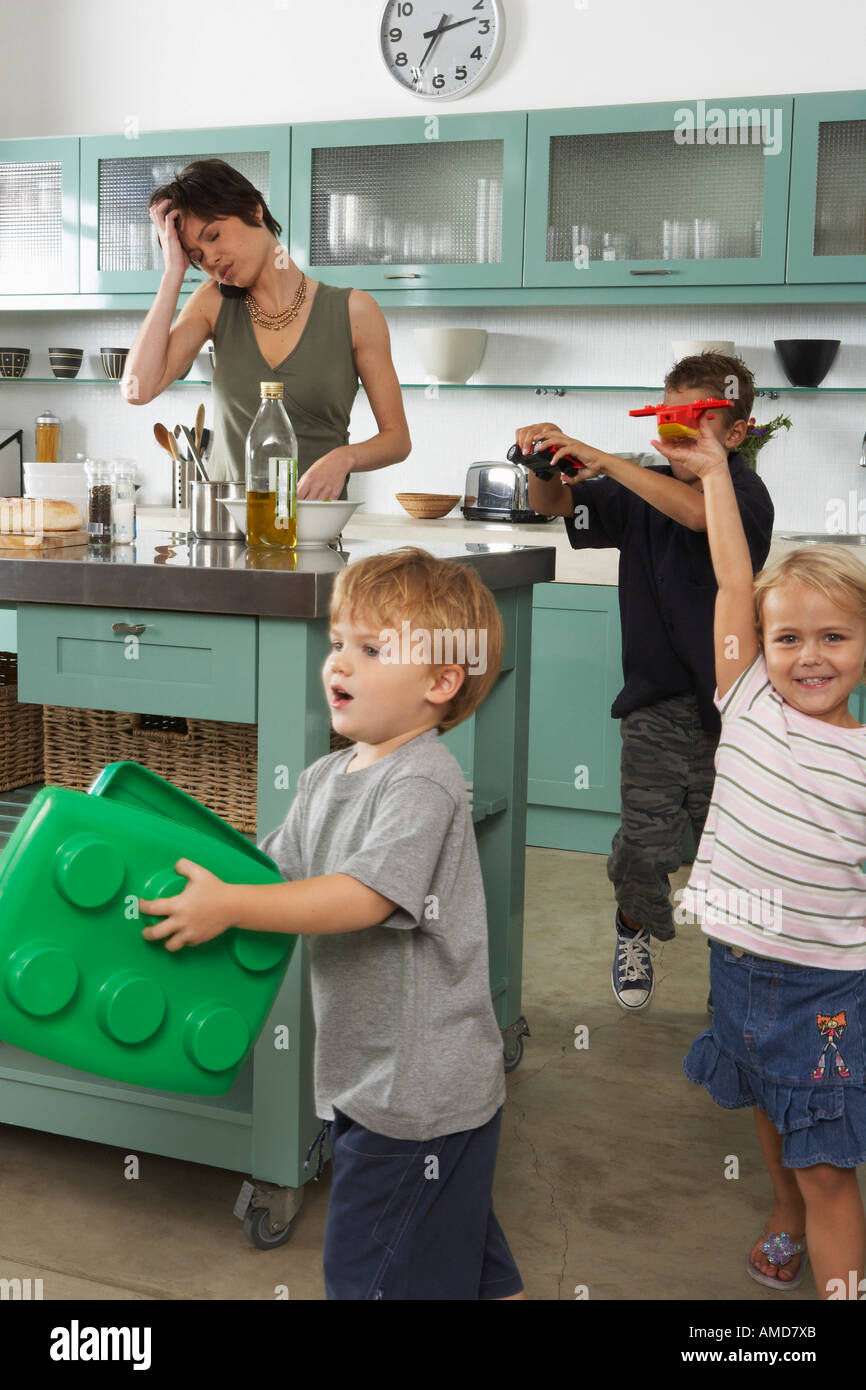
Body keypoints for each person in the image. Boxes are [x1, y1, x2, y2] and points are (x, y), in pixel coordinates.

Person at [137, 546, 525, 1302]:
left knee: (369, 1273)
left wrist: (232, 906)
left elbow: (363, 898)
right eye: (338, 642)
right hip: (375, 1081)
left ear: (441, 682)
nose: (338, 664)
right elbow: (270, 876)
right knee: (461, 1246)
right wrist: (194, 871)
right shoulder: (325, 777)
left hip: (414, 1098)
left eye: (372, 649)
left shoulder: (424, 779)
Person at [658, 414, 866, 1299]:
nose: (807, 657)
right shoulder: (745, 700)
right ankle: (781, 1214)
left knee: (829, 1164)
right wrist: (713, 474)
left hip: (827, 986)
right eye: (788, 639)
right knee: (775, 1116)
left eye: (833, 638)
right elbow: (733, 580)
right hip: (739, 962)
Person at [515, 353, 774, 1012]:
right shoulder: (640, 488)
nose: (681, 440)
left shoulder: (744, 495)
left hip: (732, 710)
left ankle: (733, 972)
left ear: (737, 433)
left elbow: (694, 513)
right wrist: (548, 464)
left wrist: (606, 459)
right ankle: (632, 927)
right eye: (672, 422)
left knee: (732, 856)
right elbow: (559, 506)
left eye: (698, 425)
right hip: (655, 707)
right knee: (643, 845)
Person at [122, 159, 410, 498]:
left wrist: (345, 458)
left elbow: (397, 439)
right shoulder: (212, 303)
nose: (210, 260)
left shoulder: (354, 312)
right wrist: (173, 273)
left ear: (254, 211)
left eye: (214, 235)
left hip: (314, 533)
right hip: (224, 535)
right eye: (197, 256)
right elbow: (137, 390)